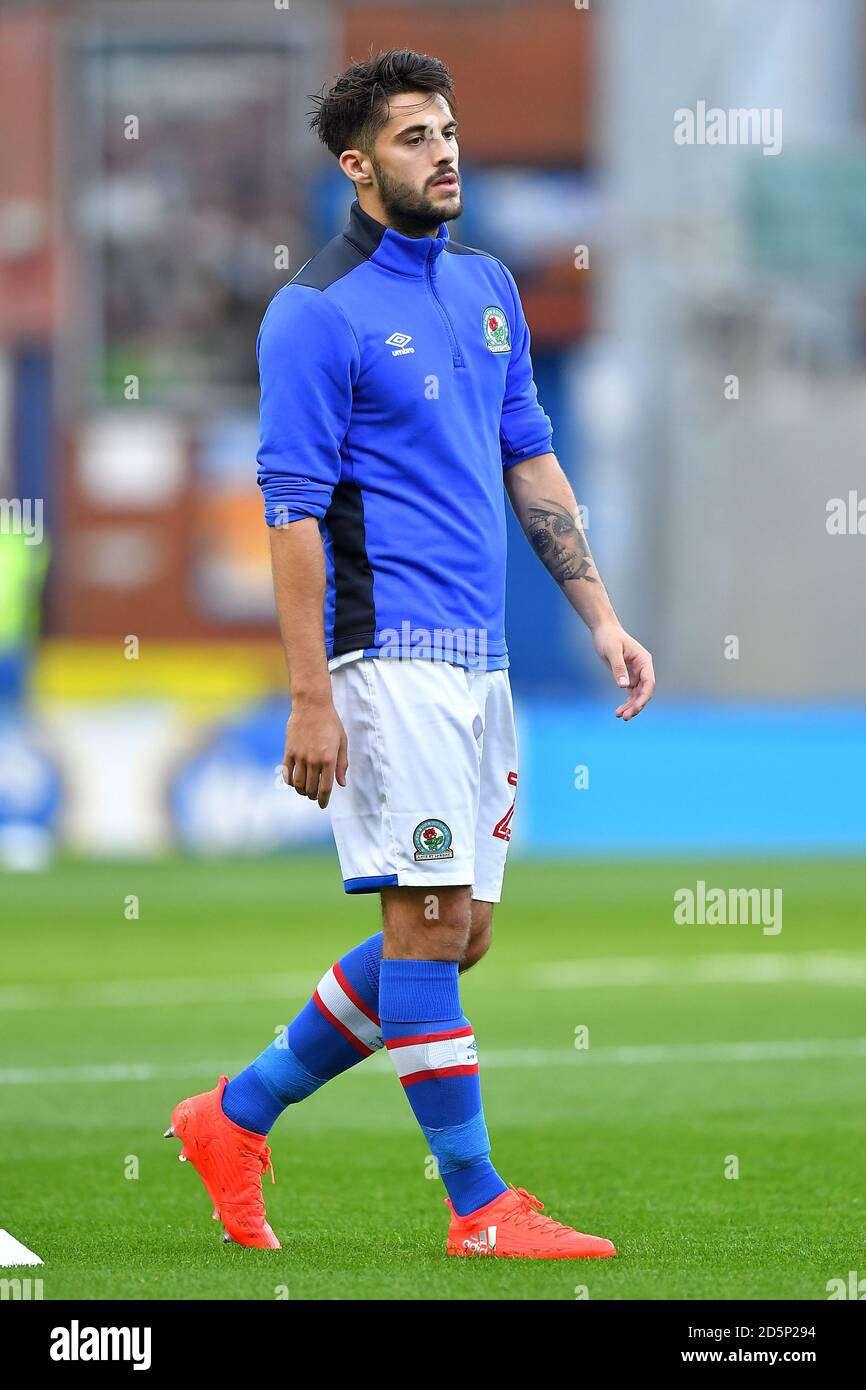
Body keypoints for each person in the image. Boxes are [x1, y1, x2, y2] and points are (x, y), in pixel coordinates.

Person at [167, 48, 654, 1258]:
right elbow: (288, 513)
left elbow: (528, 458)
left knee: (452, 935)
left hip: (477, 660)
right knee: (428, 918)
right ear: (356, 165)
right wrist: (307, 698)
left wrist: (597, 612)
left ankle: (235, 1115)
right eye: (412, 138)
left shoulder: (486, 286)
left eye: (446, 131)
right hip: (379, 658)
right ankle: (479, 1207)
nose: (442, 152)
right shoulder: (314, 314)